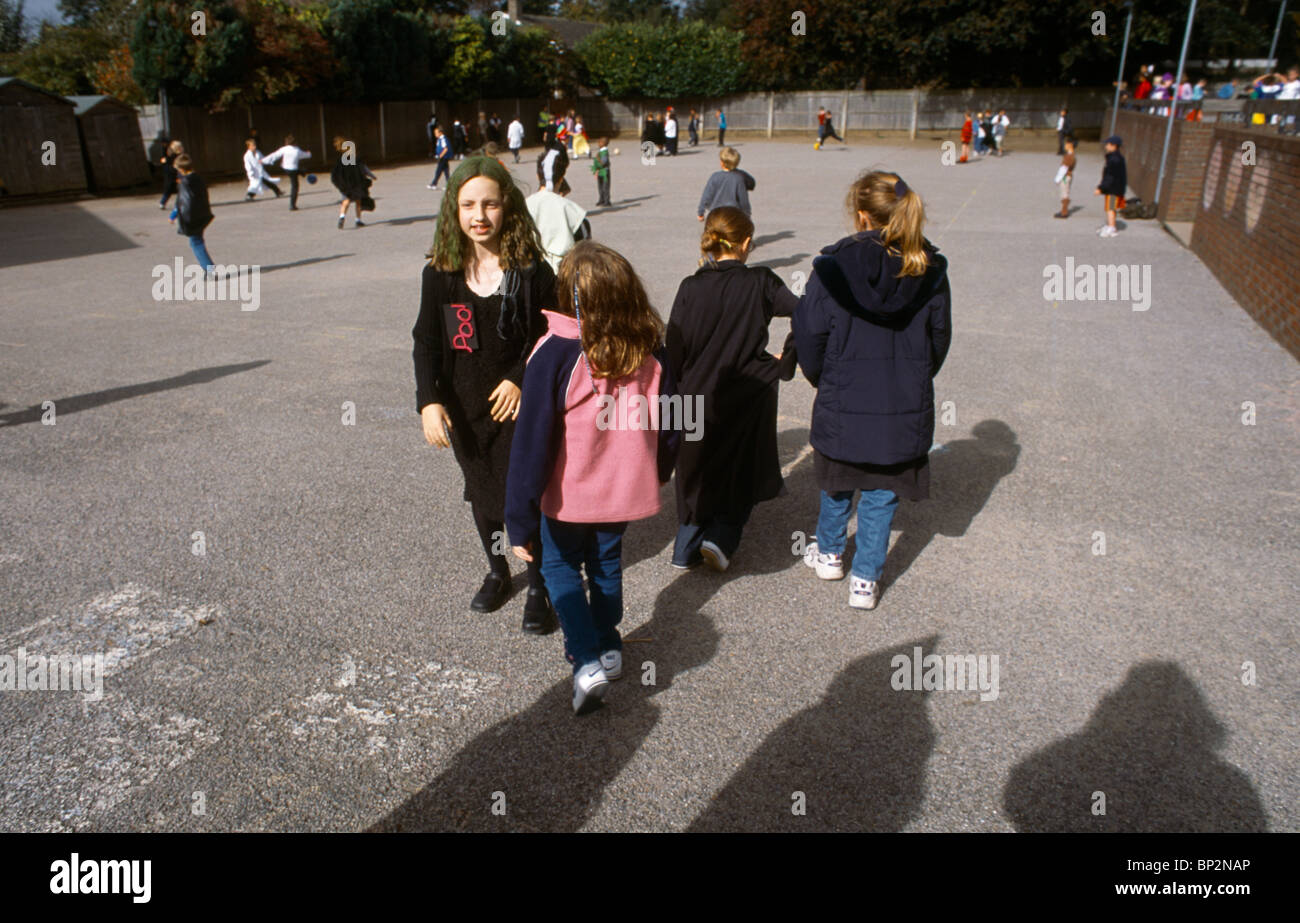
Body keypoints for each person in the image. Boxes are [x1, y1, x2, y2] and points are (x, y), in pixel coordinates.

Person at [504, 240, 680, 715]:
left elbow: (531, 442)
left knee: (560, 567)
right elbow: (672, 419)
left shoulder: (555, 352)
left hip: (568, 495)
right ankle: (608, 645)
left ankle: (585, 659)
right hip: (624, 491)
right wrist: (660, 470)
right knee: (605, 564)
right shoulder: (650, 350)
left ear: (569, 296)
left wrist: (518, 517)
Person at [793, 170, 952, 611]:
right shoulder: (930, 269)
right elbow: (939, 340)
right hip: (901, 399)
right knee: (883, 491)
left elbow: (809, 335)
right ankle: (865, 579)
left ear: (861, 216)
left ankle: (828, 554)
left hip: (844, 393)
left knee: (838, 479)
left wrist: (823, 378)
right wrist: (916, 377)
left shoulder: (831, 268)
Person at [413, 156, 558, 634]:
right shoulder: (441, 273)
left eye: (490, 204)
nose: (479, 215)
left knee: (527, 492)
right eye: (468, 204)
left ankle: (538, 583)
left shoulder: (531, 271)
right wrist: (428, 401)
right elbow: (427, 341)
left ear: (507, 208)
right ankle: (499, 571)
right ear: (453, 210)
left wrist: (520, 376)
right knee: (482, 494)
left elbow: (552, 335)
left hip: (522, 403)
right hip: (466, 407)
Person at [666, 206, 799, 572]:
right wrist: (784, 361)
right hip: (747, 390)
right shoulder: (761, 281)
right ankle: (722, 537)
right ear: (746, 243)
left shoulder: (689, 287)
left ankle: (686, 545)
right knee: (743, 466)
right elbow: (806, 313)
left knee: (695, 469)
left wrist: (670, 406)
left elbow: (673, 349)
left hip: (693, 395)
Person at [526, 175, 589, 273]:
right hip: (565, 272)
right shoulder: (572, 209)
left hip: (531, 272)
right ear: (560, 180)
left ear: (538, 176)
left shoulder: (524, 204)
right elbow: (586, 251)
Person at [168, 154, 216, 274]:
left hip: (192, 217)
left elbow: (182, 201)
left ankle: (210, 270)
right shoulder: (198, 178)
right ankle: (209, 268)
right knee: (197, 241)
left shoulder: (185, 183)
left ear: (181, 169)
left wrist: (175, 214)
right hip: (202, 213)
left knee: (196, 242)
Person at [330, 135, 376, 229]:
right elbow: (364, 169)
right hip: (356, 184)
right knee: (358, 201)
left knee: (345, 201)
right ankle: (358, 220)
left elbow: (335, 174)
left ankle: (342, 217)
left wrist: (338, 183)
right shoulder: (356, 159)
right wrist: (372, 176)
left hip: (346, 185)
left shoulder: (341, 160)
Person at [697, 147, 755, 220]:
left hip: (716, 213)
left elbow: (706, 195)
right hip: (733, 213)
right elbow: (743, 200)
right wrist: (747, 215)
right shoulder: (739, 178)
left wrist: (701, 212)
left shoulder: (715, 176)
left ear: (722, 163)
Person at [261, 134, 311, 211]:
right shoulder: (297, 150)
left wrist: (264, 160)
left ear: (286, 142)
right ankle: (292, 205)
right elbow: (305, 155)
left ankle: (302, 172)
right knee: (295, 187)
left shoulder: (284, 149)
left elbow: (274, 155)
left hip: (286, 169)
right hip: (293, 169)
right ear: (295, 143)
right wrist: (309, 153)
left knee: (298, 172)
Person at [1095, 135, 1127, 238]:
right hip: (1115, 187)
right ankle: (1110, 224)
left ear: (1114, 146)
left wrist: (1101, 188)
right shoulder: (1115, 158)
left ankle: (1112, 228)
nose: (1106, 146)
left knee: (1110, 208)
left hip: (1114, 188)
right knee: (1110, 207)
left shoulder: (1114, 160)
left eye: (1108, 144)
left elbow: (1110, 176)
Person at [537, 125, 569, 192]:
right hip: (556, 175)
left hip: (545, 175)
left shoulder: (549, 145)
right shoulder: (560, 146)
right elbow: (566, 162)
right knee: (562, 191)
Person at [1054, 137, 1076, 219]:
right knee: (1065, 192)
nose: (1065, 146)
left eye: (1066, 144)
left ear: (1070, 145)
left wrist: (1057, 178)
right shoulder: (1072, 156)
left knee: (1064, 193)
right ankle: (1064, 210)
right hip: (1069, 175)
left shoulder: (1069, 156)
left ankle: (1064, 211)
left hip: (1065, 176)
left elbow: (1064, 168)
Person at [158, 139, 183, 210]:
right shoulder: (171, 156)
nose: (182, 148)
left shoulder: (179, 156)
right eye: (180, 147)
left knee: (180, 190)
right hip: (171, 176)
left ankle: (178, 203)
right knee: (168, 191)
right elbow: (164, 163)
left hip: (176, 176)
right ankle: (162, 202)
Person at [428, 126, 452, 190]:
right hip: (442, 157)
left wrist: (440, 156)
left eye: (436, 133)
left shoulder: (443, 139)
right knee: (446, 172)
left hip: (443, 157)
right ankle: (449, 185)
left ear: (440, 132)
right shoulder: (439, 139)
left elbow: (446, 149)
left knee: (438, 171)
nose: (435, 135)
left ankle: (434, 183)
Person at [591, 137, 612, 207]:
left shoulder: (604, 152)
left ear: (603, 143)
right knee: (600, 186)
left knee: (605, 186)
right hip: (600, 171)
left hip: (604, 171)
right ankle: (601, 199)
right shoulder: (601, 151)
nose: (598, 144)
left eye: (599, 142)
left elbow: (604, 162)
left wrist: (598, 159)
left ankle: (607, 200)